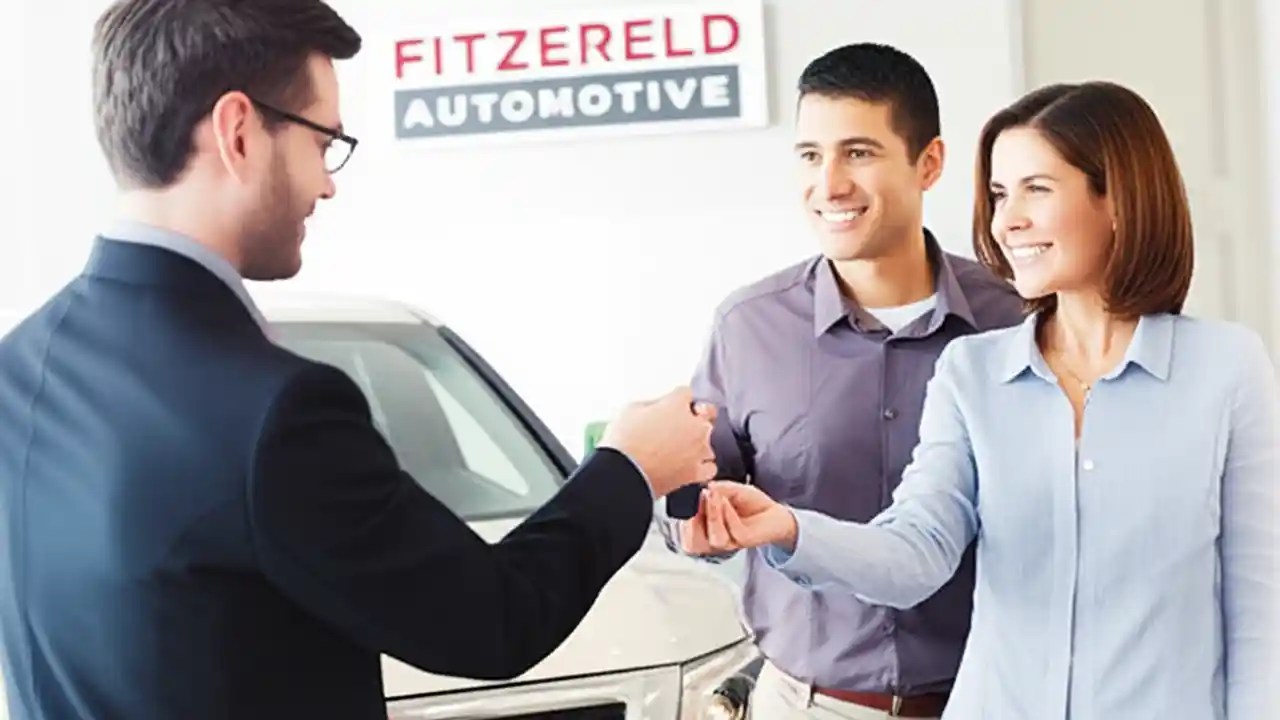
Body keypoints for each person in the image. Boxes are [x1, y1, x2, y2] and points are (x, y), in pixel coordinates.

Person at [0, 1, 717, 719]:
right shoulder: (273, 410)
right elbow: (492, 620)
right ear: (239, 131)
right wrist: (630, 466)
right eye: (323, 142)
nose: (328, 183)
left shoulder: (18, 364)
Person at [697, 80, 1279, 719]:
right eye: (1000, 194)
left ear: (1119, 198)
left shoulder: (1225, 369)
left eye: (1037, 189)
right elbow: (916, 553)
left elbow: (1260, 615)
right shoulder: (973, 371)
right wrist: (789, 525)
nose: (1008, 221)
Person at [657, 44, 1024, 719]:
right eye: (809, 155)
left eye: (858, 153)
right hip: (809, 705)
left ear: (930, 163)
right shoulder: (749, 327)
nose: (829, 184)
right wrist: (687, 518)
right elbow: (691, 488)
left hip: (991, 700)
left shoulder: (1017, 321)